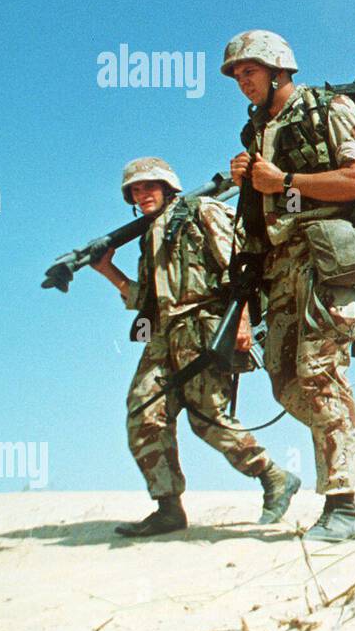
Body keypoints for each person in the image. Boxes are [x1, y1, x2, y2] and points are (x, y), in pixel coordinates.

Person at [224, 30, 355, 542]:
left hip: (335, 259)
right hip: (281, 265)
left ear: (279, 70)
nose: (242, 82)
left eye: (250, 71)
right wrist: (252, 184)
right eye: (237, 75)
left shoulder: (331, 109)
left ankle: (341, 507)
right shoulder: (258, 131)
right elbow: (263, 214)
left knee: (320, 375)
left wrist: (284, 182)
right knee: (287, 385)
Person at [90, 157, 301, 537]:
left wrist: (242, 322)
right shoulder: (150, 235)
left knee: (207, 419)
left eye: (149, 186)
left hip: (202, 327)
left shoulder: (201, 210)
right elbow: (147, 299)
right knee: (143, 413)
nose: (142, 194)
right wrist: (108, 270)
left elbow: (240, 266)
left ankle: (273, 476)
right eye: (135, 190)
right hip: (163, 335)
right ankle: (168, 508)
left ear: (167, 186)